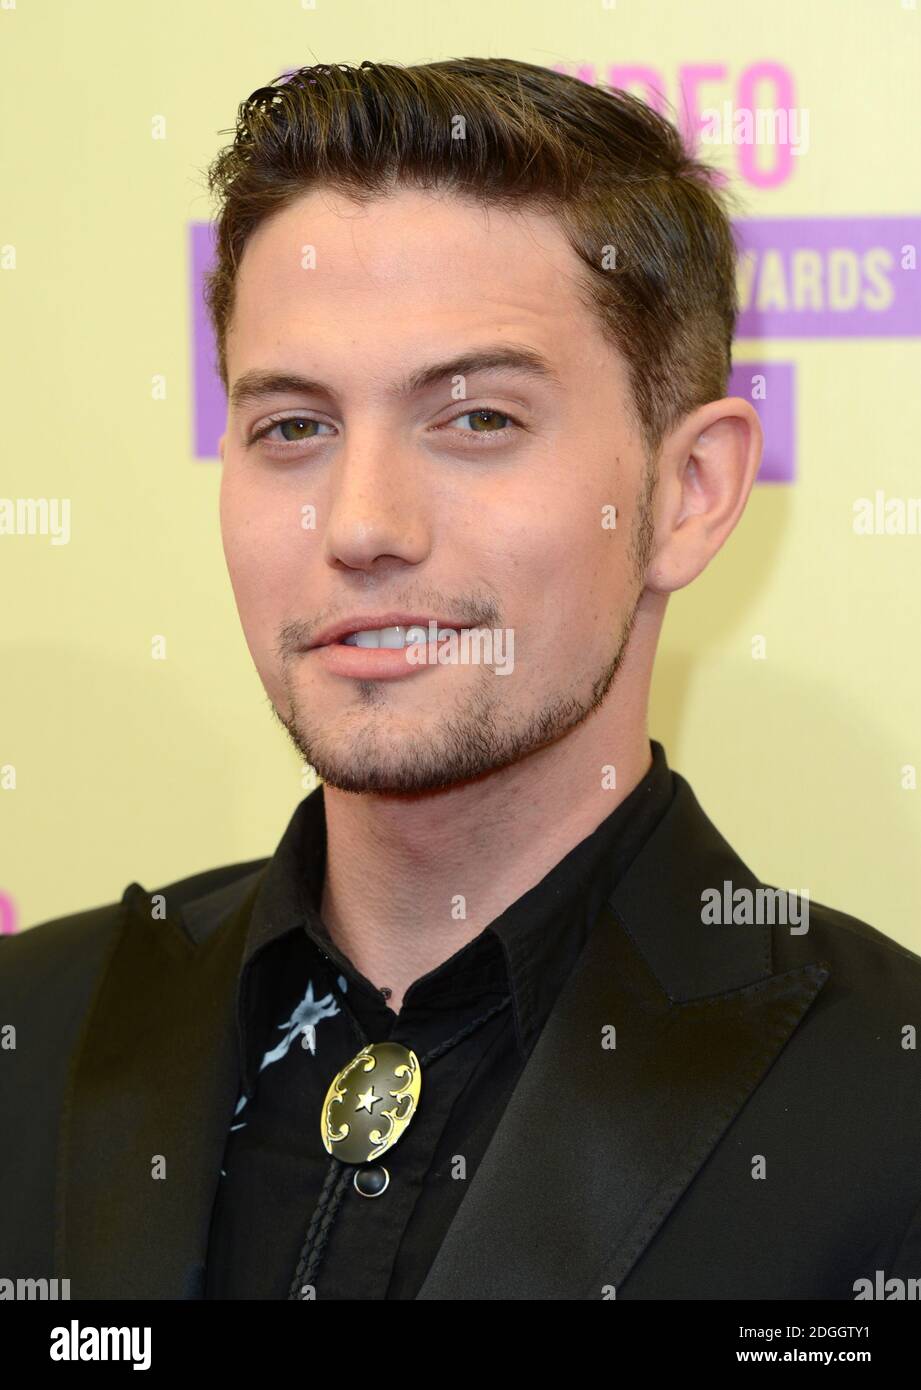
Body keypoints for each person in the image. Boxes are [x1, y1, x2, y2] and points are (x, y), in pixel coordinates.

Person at [2, 59, 919, 1302]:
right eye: (293, 428)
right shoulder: (33, 1033)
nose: (363, 524)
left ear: (690, 494)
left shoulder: (884, 1109)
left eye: (477, 419)